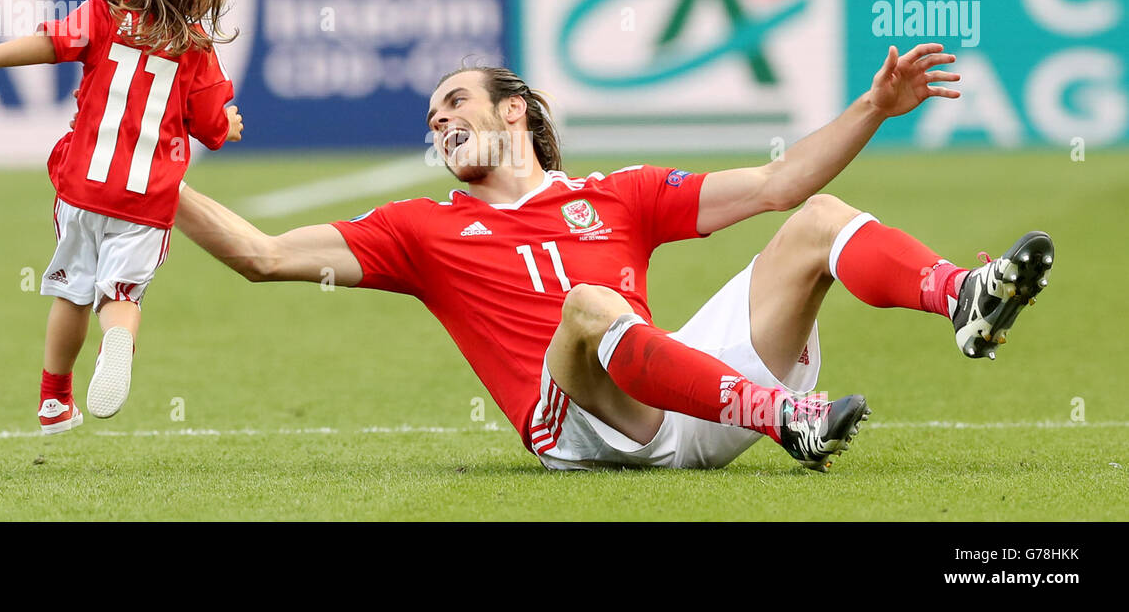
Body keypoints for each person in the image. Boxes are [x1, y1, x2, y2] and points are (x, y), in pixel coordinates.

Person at [173, 45, 1054, 472]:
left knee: (817, 220)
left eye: (455, 103)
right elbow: (259, 253)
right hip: (584, 422)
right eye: (431, 115)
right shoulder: (420, 228)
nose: (439, 121)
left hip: (679, 396)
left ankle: (962, 296)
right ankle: (789, 415)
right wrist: (148, 175)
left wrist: (871, 108)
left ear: (513, 110)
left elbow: (780, 182)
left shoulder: (618, 195)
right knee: (589, 308)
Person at [0, 0, 246, 434]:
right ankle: (118, 335)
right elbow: (212, 126)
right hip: (146, 201)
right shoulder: (196, 49)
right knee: (119, 296)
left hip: (82, 189)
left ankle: (54, 398)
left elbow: (50, 44)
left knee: (71, 290)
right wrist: (229, 125)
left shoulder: (104, 14)